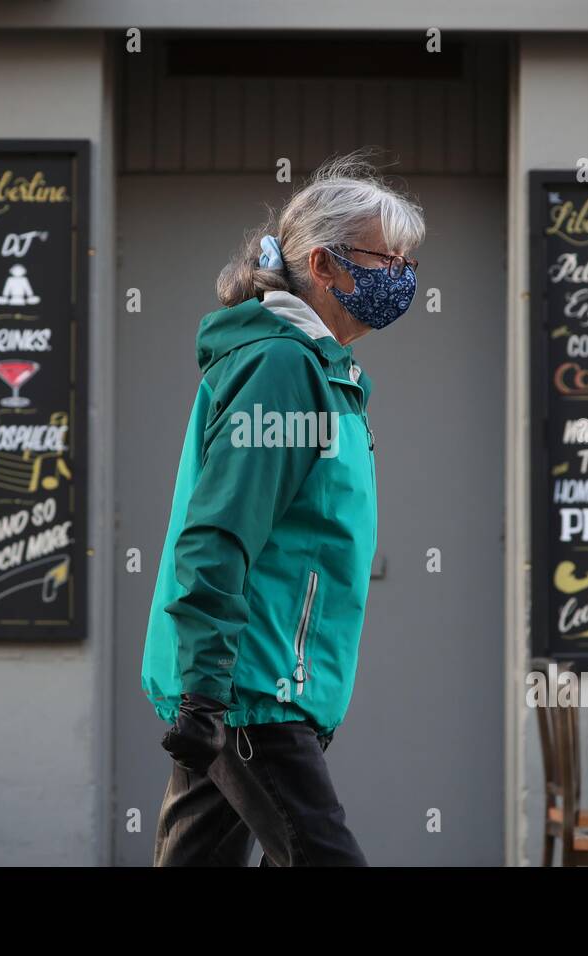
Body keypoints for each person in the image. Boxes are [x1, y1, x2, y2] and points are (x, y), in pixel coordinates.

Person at [141, 150, 425, 866]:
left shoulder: (324, 373)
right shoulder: (283, 366)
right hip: (252, 688)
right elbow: (217, 532)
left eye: (407, 262)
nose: (402, 279)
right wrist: (206, 691)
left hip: (255, 685)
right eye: (384, 260)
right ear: (323, 265)